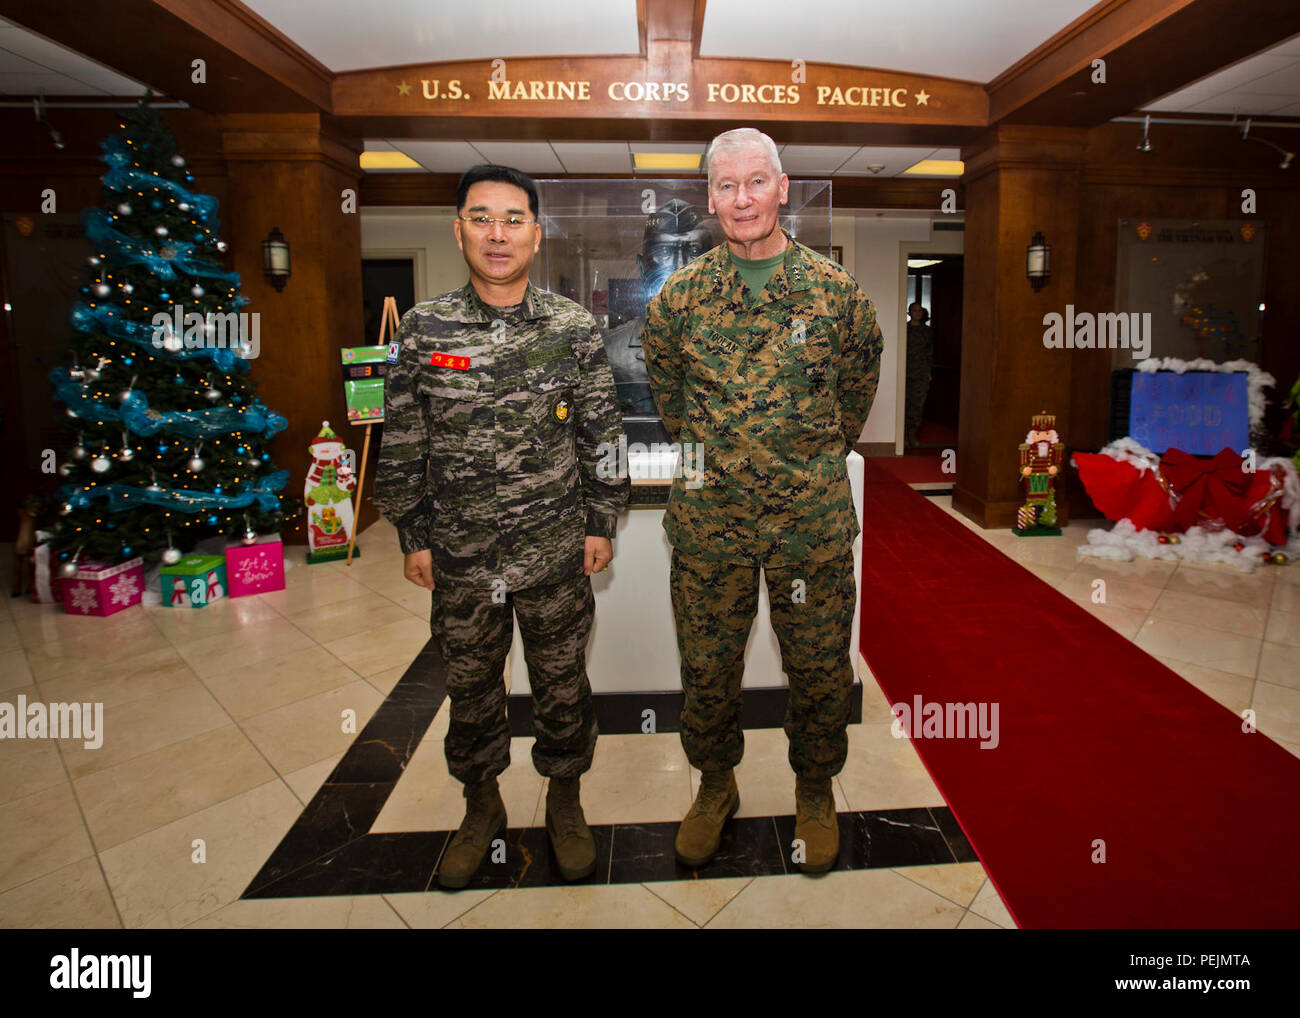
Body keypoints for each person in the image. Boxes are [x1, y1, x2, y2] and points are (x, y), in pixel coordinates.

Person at [373, 164, 629, 889]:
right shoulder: (424, 330)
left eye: (513, 219)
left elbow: (600, 433)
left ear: (536, 234)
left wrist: (602, 518)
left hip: (554, 550)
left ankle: (566, 800)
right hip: (460, 556)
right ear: (458, 231)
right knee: (472, 686)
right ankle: (480, 805)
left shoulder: (573, 328)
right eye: (481, 218)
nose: (497, 234)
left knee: (561, 683)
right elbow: (403, 441)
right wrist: (412, 532)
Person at [641, 128, 883, 874]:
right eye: (724, 185)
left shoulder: (837, 296)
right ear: (709, 198)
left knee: (817, 668)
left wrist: (798, 459)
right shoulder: (680, 299)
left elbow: (855, 400)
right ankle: (715, 786)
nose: (740, 199)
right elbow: (673, 408)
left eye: (755, 182)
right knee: (707, 669)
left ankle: (815, 790)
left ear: (782, 188)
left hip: (809, 525)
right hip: (711, 526)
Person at [602, 198, 713, 424]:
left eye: (693, 251)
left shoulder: (737, 346)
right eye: (664, 253)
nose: (680, 266)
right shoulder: (609, 352)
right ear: (643, 266)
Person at [905, 302, 934, 447]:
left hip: (920, 372)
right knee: (904, 403)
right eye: (914, 311)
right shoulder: (904, 330)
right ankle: (902, 434)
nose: (917, 313)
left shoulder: (927, 332)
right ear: (909, 313)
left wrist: (928, 372)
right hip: (905, 371)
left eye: (920, 311)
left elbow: (929, 353)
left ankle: (912, 433)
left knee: (917, 404)